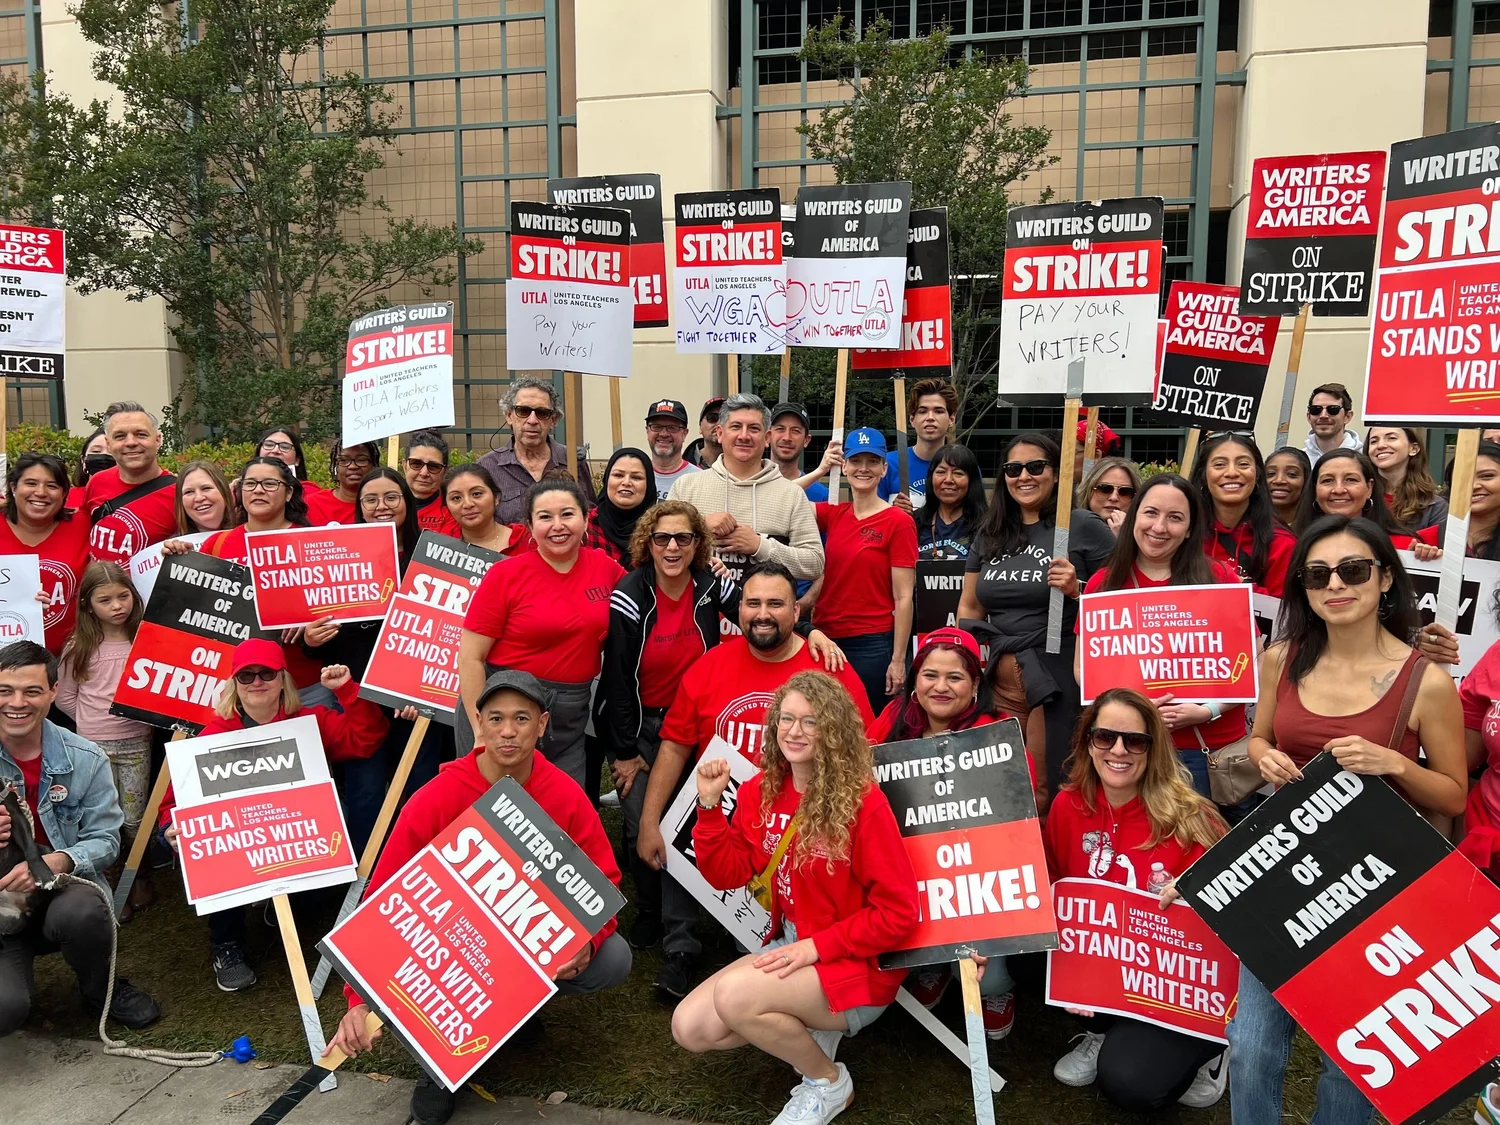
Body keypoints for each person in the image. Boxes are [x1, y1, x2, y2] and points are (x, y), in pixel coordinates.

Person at [1235, 515, 1468, 1124]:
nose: (1335, 584)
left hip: (1379, 884)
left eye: (1353, 569)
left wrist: (1394, 762)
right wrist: (1269, 759)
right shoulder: (1281, 658)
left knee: (1354, 1058)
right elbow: (1256, 740)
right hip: (1282, 871)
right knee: (1252, 1046)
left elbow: (1452, 797)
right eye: (1317, 575)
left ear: (1385, 579)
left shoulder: (1428, 683)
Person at [326, 668, 630, 1125]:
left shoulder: (564, 795)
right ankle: (438, 1065)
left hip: (520, 943)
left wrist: (587, 939)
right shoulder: (436, 797)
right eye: (496, 718)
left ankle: (516, 1010)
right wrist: (358, 998)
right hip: (447, 951)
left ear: (543, 725)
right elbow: (381, 899)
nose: (508, 732)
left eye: (522, 719)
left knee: (614, 958)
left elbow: (602, 882)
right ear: (478, 724)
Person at [672, 672, 919, 1125]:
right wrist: (708, 808)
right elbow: (728, 873)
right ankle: (804, 1023)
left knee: (735, 1000)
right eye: (786, 718)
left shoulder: (863, 803)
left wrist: (815, 947)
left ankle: (828, 1083)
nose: (794, 731)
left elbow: (899, 914)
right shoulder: (760, 790)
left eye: (811, 721)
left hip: (856, 963)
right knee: (690, 1027)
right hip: (793, 945)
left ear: (835, 730)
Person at [636, 562, 874, 998]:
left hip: (799, 814)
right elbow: (673, 745)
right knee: (682, 827)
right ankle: (681, 949)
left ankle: (758, 946)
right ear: (738, 609)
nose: (763, 614)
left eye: (776, 604)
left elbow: (866, 748)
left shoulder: (827, 667)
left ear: (797, 609)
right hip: (723, 798)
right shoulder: (711, 665)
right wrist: (651, 822)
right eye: (753, 603)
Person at [159, 639, 388, 992]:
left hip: (290, 838)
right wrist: (169, 829)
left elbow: (365, 739)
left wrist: (346, 692)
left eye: (266, 672)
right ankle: (227, 943)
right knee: (213, 856)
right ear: (234, 683)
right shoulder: (212, 736)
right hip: (238, 841)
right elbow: (172, 804)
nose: (256, 681)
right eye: (246, 675)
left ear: (283, 678)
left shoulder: (310, 722)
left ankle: (286, 900)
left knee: (332, 848)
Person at [1044, 687, 1229, 1110]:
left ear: (1153, 748)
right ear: (1088, 742)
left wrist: (1195, 891)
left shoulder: (1190, 816)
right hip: (1106, 967)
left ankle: (1215, 1044)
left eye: (1136, 740)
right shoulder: (1067, 805)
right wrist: (1073, 973)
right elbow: (1057, 889)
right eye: (1105, 737)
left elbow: (1234, 914)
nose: (1119, 750)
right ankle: (1102, 1027)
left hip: (1173, 981)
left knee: (1130, 1084)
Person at [597, 500, 740, 952]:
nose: (673, 546)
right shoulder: (630, 593)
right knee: (645, 818)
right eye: (662, 538)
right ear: (648, 544)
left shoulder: (710, 584)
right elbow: (617, 680)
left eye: (683, 537)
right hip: (642, 723)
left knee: (690, 818)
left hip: (698, 724)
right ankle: (650, 909)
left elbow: (761, 615)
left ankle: (684, 926)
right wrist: (623, 751)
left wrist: (808, 629)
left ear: (698, 543)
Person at [0, 640, 159, 1035]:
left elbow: (107, 840)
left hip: (59, 895)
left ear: (54, 693)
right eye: (5, 690)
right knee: (6, 1011)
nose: (16, 703)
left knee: (85, 908)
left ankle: (99, 990)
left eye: (32, 690)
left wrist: (59, 861)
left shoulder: (86, 756)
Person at [869, 627, 1021, 1038]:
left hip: (979, 875)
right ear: (914, 681)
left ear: (975, 684)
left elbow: (1015, 813)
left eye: (954, 677)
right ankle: (932, 964)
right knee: (911, 946)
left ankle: (997, 989)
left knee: (983, 978)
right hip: (910, 868)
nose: (940, 687)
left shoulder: (998, 730)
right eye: (930, 675)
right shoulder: (892, 721)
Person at [956, 433, 1113, 804]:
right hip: (998, 680)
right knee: (1001, 785)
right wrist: (964, 659)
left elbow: (1121, 603)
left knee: (1048, 786)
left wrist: (1080, 588)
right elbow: (970, 607)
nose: (1023, 476)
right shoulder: (989, 533)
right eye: (1013, 468)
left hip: (1056, 679)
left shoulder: (1083, 525)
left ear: (1056, 474)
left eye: (1036, 466)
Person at [1077, 474, 1245, 799]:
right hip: (1131, 751)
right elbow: (1084, 670)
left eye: (1175, 518)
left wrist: (1207, 710)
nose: (1159, 527)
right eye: (1151, 513)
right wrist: (1133, 710)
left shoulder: (1219, 578)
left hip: (1207, 749)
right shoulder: (1104, 583)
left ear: (1190, 529)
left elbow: (1249, 663)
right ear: (1134, 517)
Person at [458, 479, 624, 785]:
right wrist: (481, 728)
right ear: (530, 526)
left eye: (567, 514)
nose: (557, 525)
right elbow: (470, 657)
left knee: (560, 812)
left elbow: (648, 594)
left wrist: (704, 566)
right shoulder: (505, 575)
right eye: (545, 517)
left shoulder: (607, 569)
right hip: (506, 712)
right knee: (499, 813)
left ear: (586, 519)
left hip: (570, 717)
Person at [303, 467, 430, 848]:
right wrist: (311, 638)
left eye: (391, 497)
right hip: (355, 695)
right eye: (370, 500)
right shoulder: (338, 559)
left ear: (407, 502)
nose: (381, 507)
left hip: (414, 699)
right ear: (358, 508)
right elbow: (322, 639)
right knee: (365, 791)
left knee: (419, 789)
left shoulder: (430, 556)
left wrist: (423, 694)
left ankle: (417, 868)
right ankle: (364, 879)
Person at [55, 562, 154, 921]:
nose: (117, 606)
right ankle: (112, 883)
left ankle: (138, 871)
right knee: (101, 818)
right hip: (92, 748)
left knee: (134, 817)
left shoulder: (145, 639)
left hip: (136, 743)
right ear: (88, 605)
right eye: (105, 599)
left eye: (123, 596)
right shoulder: (79, 646)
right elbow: (64, 696)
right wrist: (91, 722)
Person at [801, 428, 916, 711]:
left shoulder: (898, 522)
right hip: (825, 638)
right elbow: (781, 497)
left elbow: (904, 598)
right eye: (856, 461)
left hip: (872, 644)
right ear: (845, 465)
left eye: (872, 461)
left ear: (883, 467)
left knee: (868, 728)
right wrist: (820, 469)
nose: (863, 468)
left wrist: (898, 659)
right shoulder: (834, 514)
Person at [668, 394, 824, 586]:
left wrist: (760, 546)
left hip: (764, 613)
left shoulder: (791, 494)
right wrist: (699, 525)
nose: (744, 436)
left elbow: (815, 563)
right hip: (698, 612)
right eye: (735, 427)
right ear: (720, 433)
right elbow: (661, 544)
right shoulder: (686, 487)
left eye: (754, 428)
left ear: (767, 437)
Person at [0, 453, 92, 655]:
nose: (40, 492)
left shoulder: (84, 524)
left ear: (64, 493)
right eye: (31, 483)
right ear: (14, 488)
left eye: (51, 486)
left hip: (70, 660)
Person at [476, 377, 597, 524]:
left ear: (553, 420)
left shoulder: (572, 460)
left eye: (542, 413)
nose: (532, 420)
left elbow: (591, 514)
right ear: (509, 416)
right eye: (523, 411)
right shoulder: (487, 467)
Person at [1189, 431, 1296, 596]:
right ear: (1204, 475)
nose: (1232, 472)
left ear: (1258, 474)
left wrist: (1232, 581)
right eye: (1219, 464)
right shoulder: (1184, 535)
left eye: (1243, 464)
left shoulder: (1281, 544)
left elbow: (1282, 613)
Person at [85, 401, 177, 566]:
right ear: (109, 444)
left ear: (158, 441)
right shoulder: (97, 482)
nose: (131, 442)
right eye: (120, 436)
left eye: (141, 434)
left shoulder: (180, 493)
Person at [1296, 448, 1439, 553]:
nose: (1338, 490)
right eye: (1327, 481)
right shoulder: (1292, 544)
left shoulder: (1404, 547)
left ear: (1369, 488)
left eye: (1351, 480)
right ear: (1315, 489)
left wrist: (1425, 562)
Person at [879, 377, 955, 510]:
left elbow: (975, 518)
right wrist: (892, 513)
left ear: (951, 419)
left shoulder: (963, 465)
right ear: (912, 420)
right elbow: (871, 519)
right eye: (923, 411)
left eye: (939, 411)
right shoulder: (888, 464)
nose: (930, 417)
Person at [584, 447, 656, 570]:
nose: (626, 482)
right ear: (606, 480)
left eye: (636, 477)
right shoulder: (585, 525)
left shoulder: (658, 529)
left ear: (648, 485)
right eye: (618, 475)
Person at [1365, 426, 1448, 532]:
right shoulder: (1358, 499)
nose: (1380, 446)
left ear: (1413, 449)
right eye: (1373, 441)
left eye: (1391, 438)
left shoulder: (1435, 507)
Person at [913, 444, 987, 560]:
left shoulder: (989, 525)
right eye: (941, 472)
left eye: (958, 473)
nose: (948, 480)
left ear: (971, 481)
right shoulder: (915, 522)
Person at [441, 464, 532, 555]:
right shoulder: (440, 548)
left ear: (496, 498)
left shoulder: (528, 541)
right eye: (456, 498)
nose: (468, 504)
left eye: (476, 494)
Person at [307, 439, 378, 526]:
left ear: (373, 465)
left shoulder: (383, 506)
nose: (353, 466)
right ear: (335, 467)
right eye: (344, 460)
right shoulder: (310, 504)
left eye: (361, 460)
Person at [402, 430, 459, 535]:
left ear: (445, 471)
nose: (424, 473)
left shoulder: (455, 511)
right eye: (416, 464)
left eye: (433, 466)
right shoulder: (385, 506)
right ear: (405, 465)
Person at [769, 402, 826, 502]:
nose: (787, 437)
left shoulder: (820, 495)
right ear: (768, 436)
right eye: (780, 429)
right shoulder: (751, 484)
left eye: (795, 431)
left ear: (806, 440)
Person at [644, 399, 701, 499]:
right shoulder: (635, 476)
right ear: (647, 431)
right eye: (656, 427)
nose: (664, 434)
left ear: (684, 433)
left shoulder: (700, 479)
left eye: (672, 427)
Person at [1075, 456, 1141, 535]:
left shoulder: (1143, 534)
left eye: (1124, 491)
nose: (1114, 497)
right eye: (1104, 489)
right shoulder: (1069, 527)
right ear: (1088, 491)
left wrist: (1123, 538)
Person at [174, 459, 239, 535]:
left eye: (206, 488)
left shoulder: (251, 534)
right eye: (189, 492)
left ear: (224, 491)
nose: (199, 498)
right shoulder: (173, 545)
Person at [1303, 382, 1361, 465]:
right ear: (1309, 417)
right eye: (1316, 409)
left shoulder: (1366, 460)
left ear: (1347, 416)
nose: (1323, 416)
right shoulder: (1299, 462)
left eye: (1333, 409)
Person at [1264, 446, 1311, 530]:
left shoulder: (1319, 530)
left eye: (1292, 474)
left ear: (1306, 480)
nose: (1279, 480)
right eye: (1271, 474)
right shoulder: (1247, 526)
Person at [68, 428, 110, 509]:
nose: (104, 455)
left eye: (111, 452)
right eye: (96, 451)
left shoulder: (135, 499)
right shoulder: (65, 498)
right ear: (83, 461)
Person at [684, 396, 726, 468]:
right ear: (700, 427)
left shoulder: (745, 466)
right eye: (712, 418)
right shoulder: (683, 466)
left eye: (725, 419)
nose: (719, 424)